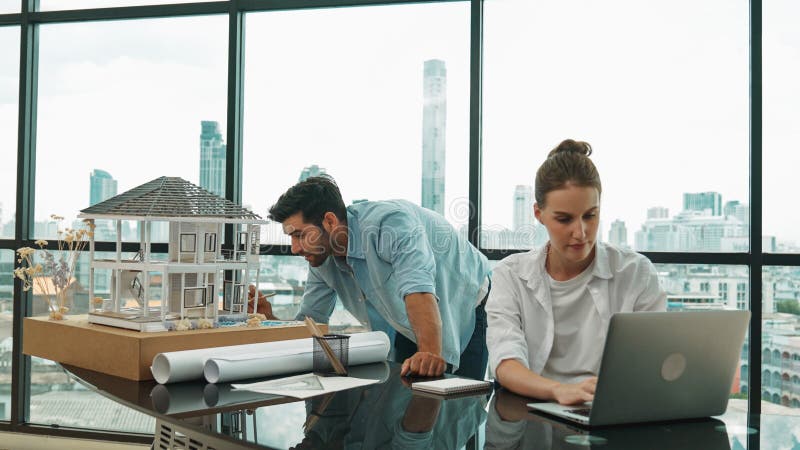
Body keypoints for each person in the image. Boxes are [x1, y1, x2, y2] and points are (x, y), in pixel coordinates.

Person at [486, 139, 667, 405]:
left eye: (590, 215)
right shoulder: (510, 275)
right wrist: (558, 390)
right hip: (532, 410)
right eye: (564, 219)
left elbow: (654, 360)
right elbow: (506, 363)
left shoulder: (635, 272)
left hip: (610, 410)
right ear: (539, 214)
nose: (580, 232)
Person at [263, 176, 492, 379]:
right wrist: (269, 319)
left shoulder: (389, 224)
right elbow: (311, 323)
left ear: (330, 222)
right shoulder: (321, 258)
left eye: (299, 235)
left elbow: (418, 289)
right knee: (406, 390)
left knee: (459, 401)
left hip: (468, 298)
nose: (294, 249)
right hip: (408, 315)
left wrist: (429, 354)